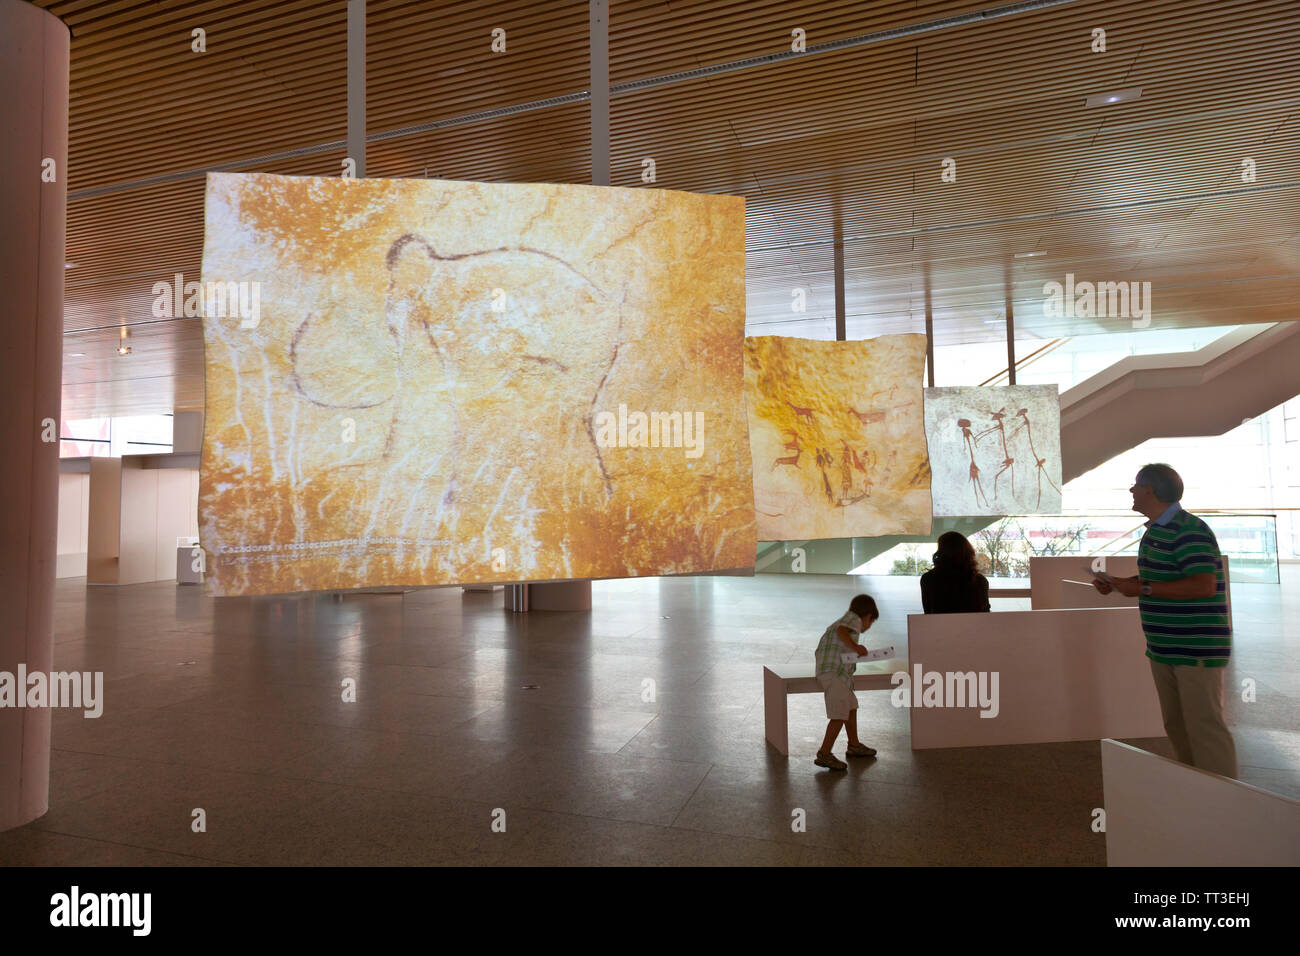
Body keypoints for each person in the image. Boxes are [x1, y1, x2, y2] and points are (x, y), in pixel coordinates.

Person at [1093, 463, 1237, 778]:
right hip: (1164, 647)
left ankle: (1224, 804)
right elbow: (1160, 580)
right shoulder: (1156, 530)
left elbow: (1203, 585)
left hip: (1195, 648)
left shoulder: (1189, 530)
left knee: (1204, 726)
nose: (1131, 491)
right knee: (1177, 724)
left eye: (1136, 485)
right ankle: (1192, 790)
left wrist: (1142, 587)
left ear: (1151, 490)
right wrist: (1121, 584)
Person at [813, 594, 880, 770]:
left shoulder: (847, 620)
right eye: (871, 622)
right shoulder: (853, 620)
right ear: (867, 616)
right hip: (833, 672)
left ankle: (854, 745)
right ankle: (824, 753)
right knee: (839, 714)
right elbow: (841, 631)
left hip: (838, 673)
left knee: (851, 706)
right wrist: (856, 647)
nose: (869, 626)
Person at [920, 531, 991, 613]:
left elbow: (928, 613)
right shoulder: (980, 580)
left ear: (941, 553)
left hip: (940, 625)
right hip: (972, 625)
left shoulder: (928, 579)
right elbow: (984, 614)